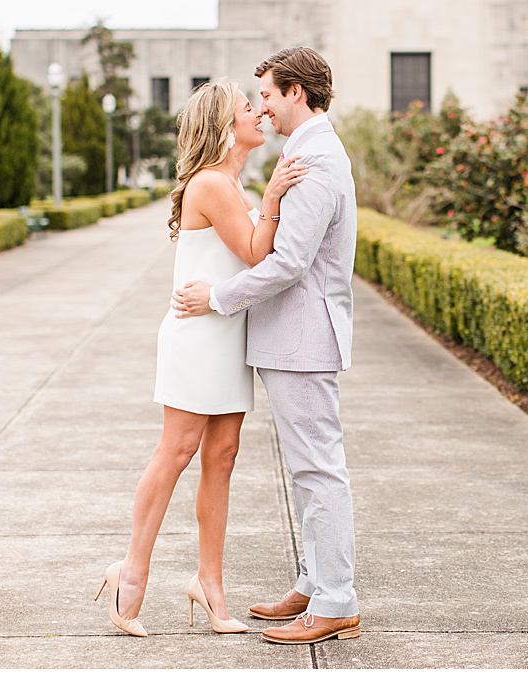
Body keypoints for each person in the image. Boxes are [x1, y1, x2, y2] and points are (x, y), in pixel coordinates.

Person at [95, 79, 308, 637]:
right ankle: (131, 573)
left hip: (228, 336)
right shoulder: (213, 184)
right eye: (247, 107)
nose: (260, 112)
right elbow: (257, 252)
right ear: (223, 125)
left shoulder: (231, 184)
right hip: (196, 335)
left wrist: (264, 198)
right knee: (178, 450)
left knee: (223, 456)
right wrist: (272, 201)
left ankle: (209, 585)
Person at [173, 46, 361, 646]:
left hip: (303, 339)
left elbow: (287, 263)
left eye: (271, 96)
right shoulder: (301, 153)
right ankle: (313, 583)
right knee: (306, 469)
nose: (263, 107)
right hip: (291, 340)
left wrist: (219, 297)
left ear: (297, 94)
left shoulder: (316, 159)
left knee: (318, 469)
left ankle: (335, 601)